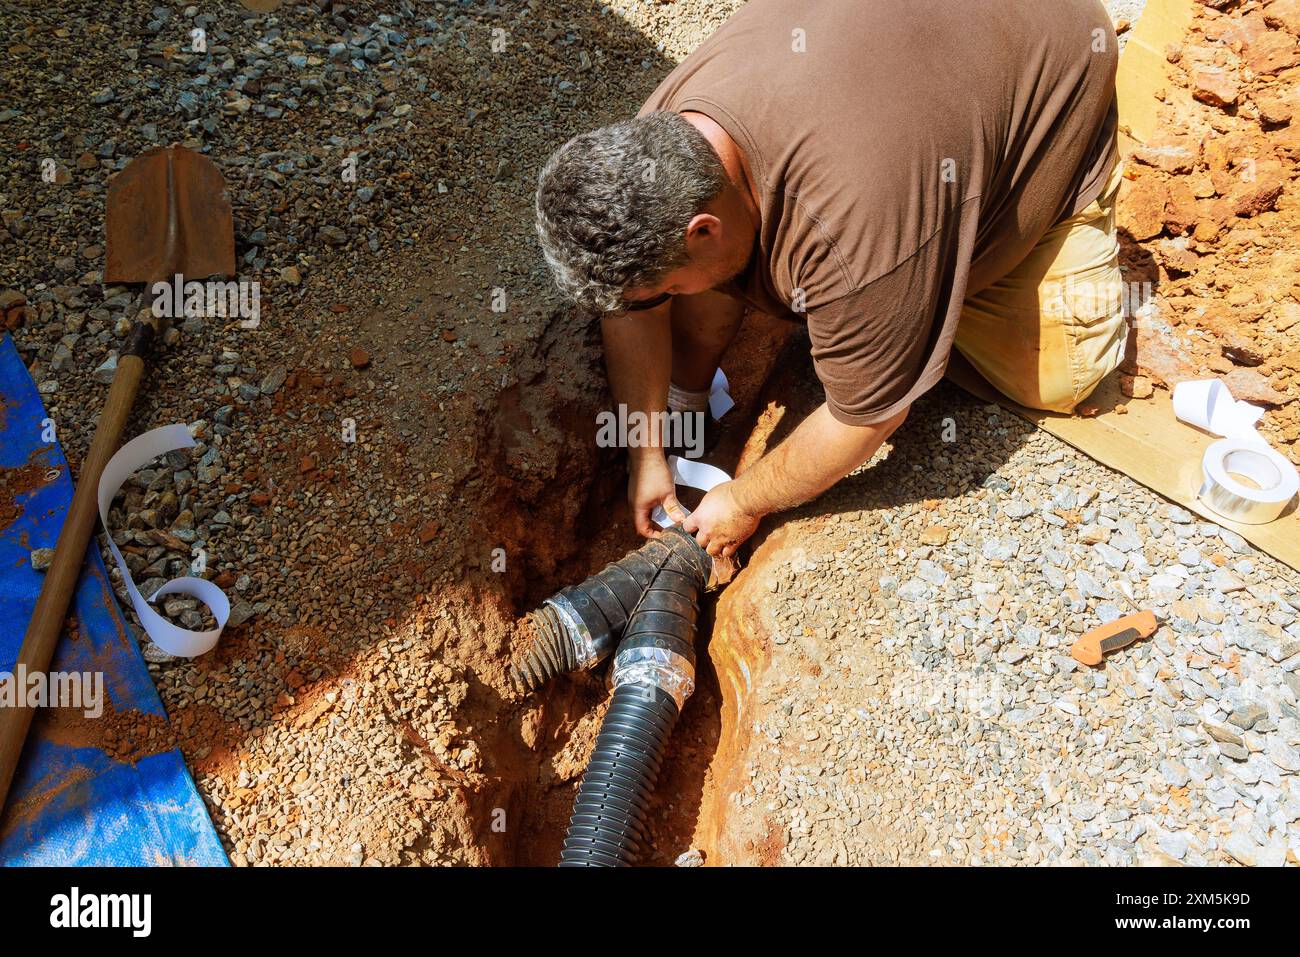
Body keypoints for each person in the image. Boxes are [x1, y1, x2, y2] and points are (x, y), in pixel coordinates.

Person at [535, 0, 1124, 558]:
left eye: (662, 293)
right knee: (710, 281)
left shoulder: (856, 238)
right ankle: (701, 385)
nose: (659, 304)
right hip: (904, 65)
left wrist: (742, 500)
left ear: (704, 229)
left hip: (1054, 49)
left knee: (1055, 377)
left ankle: (1058, 196)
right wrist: (646, 451)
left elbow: (866, 417)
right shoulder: (659, 147)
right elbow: (633, 307)